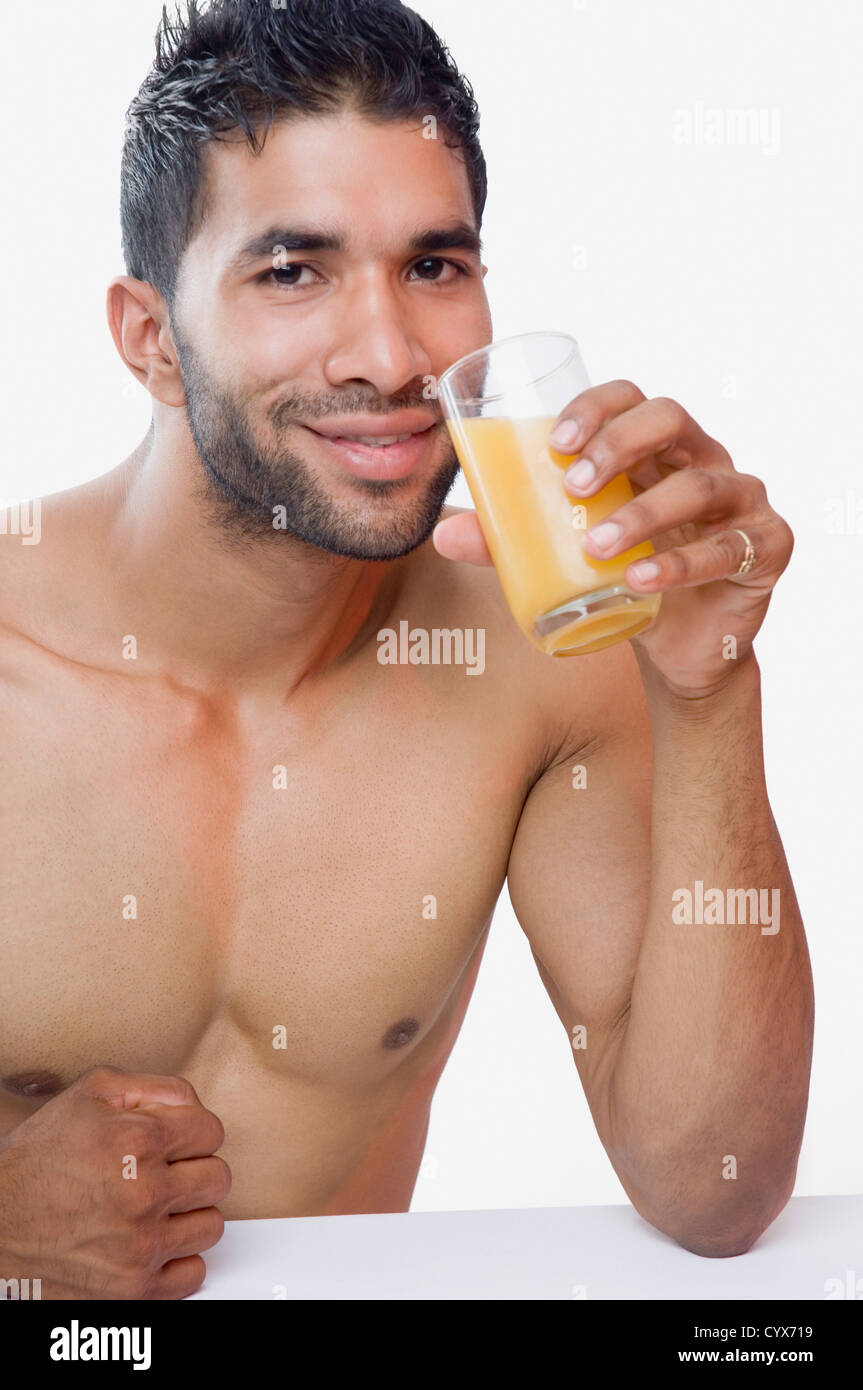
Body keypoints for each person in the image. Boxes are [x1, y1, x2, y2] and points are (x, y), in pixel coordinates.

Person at [0, 0, 813, 1301]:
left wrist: (709, 691)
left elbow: (715, 1185)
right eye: (292, 270)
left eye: (434, 265)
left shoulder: (539, 661)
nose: (389, 356)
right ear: (151, 338)